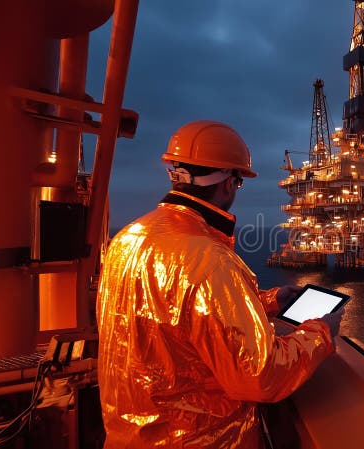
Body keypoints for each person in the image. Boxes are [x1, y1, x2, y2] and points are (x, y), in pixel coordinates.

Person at [96, 120, 343, 448]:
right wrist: (319, 333)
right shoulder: (210, 259)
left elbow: (174, 309)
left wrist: (269, 301)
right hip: (199, 440)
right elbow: (262, 376)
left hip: (127, 436)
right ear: (229, 181)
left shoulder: (126, 239)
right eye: (239, 182)